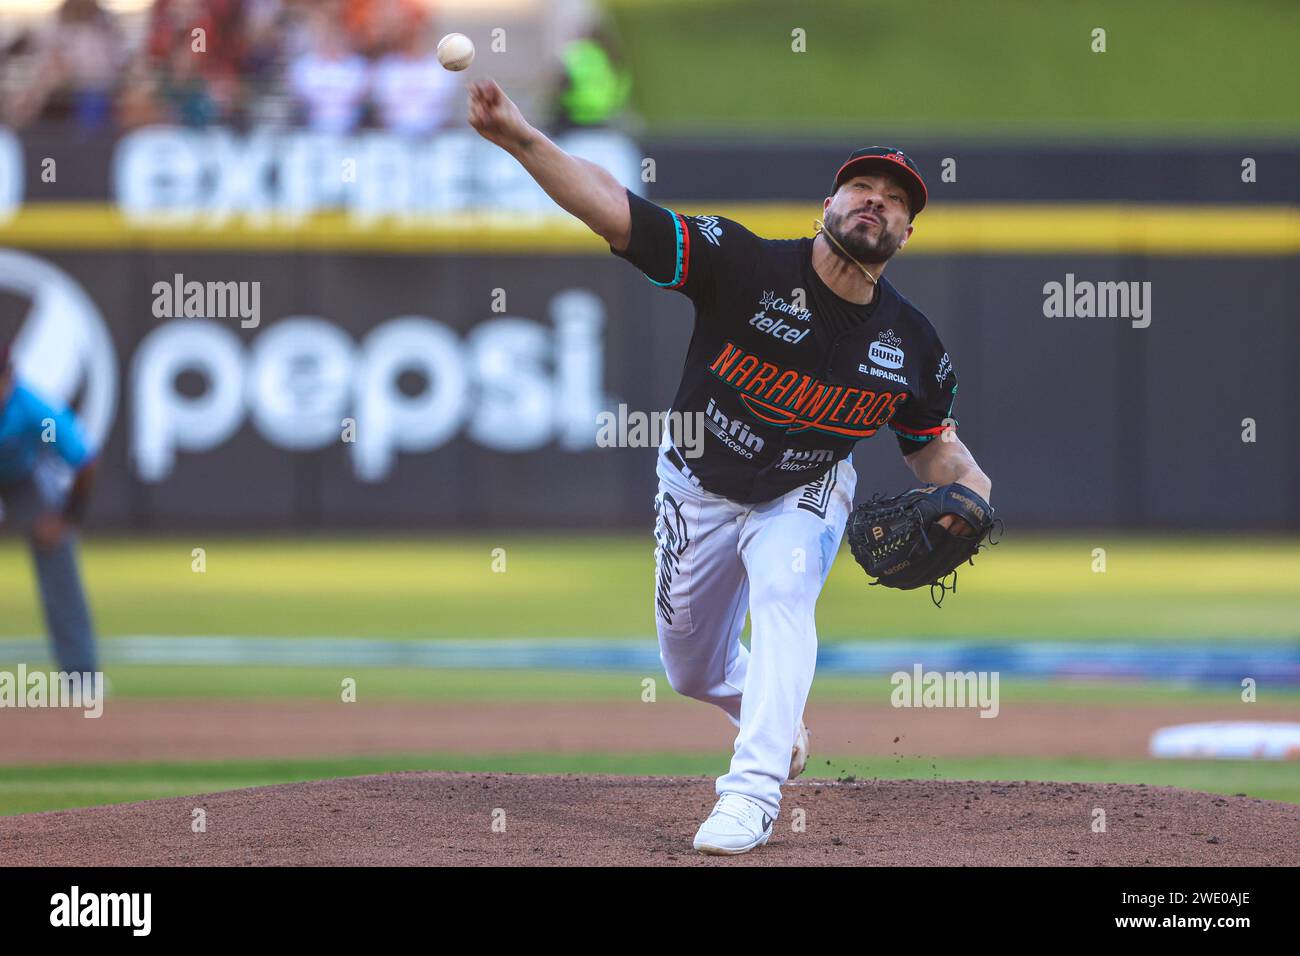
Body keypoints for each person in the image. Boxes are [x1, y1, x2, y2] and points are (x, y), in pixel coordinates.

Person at [466, 79, 992, 856]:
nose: (875, 202)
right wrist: (520, 139)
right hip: (697, 482)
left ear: (907, 233)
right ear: (829, 202)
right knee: (688, 667)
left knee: (786, 593)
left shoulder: (912, 344)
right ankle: (771, 715)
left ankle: (749, 796)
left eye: (894, 200)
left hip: (807, 487)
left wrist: (972, 495)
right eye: (861, 187)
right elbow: (616, 210)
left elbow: (934, 447)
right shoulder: (741, 263)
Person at [0, 343, 101, 675]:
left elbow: (84, 461)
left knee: (57, 550)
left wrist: (66, 519)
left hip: (20, 478)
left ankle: (80, 675)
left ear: (10, 377)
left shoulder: (33, 409)